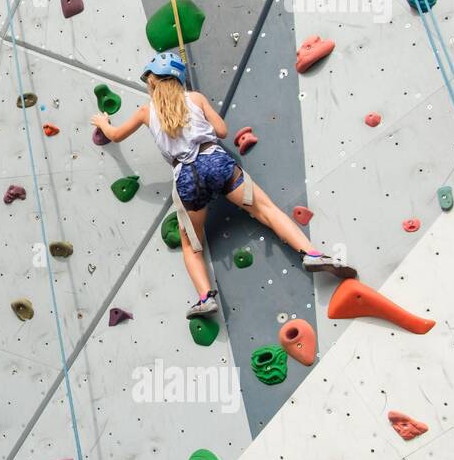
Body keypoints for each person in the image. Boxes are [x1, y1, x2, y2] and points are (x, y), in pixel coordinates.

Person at [91, 52, 355, 318]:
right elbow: (222, 131)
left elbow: (114, 135)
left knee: (192, 244)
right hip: (215, 162)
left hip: (186, 177)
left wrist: (103, 123)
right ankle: (310, 253)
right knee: (266, 210)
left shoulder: (145, 113)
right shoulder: (195, 99)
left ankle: (205, 298)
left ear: (152, 81)